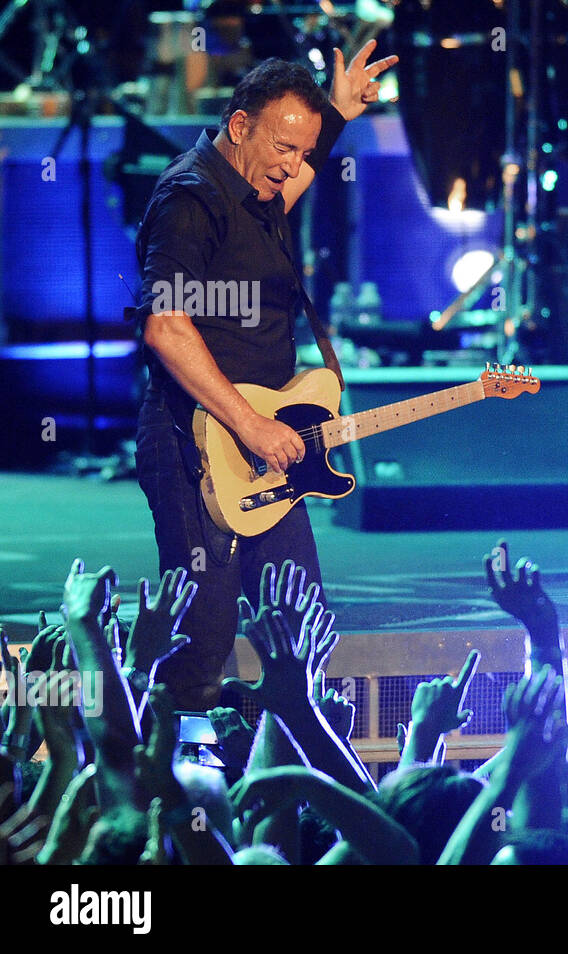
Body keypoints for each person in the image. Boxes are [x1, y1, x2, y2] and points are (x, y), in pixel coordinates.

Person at [131, 46, 396, 710]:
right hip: (196, 444)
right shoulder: (189, 199)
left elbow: (291, 177)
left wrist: (335, 113)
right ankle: (173, 796)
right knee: (201, 641)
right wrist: (248, 423)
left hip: (270, 453)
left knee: (301, 632)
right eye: (284, 145)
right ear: (240, 124)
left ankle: (273, 779)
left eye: (303, 152)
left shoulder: (260, 189)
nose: (293, 164)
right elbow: (166, 326)